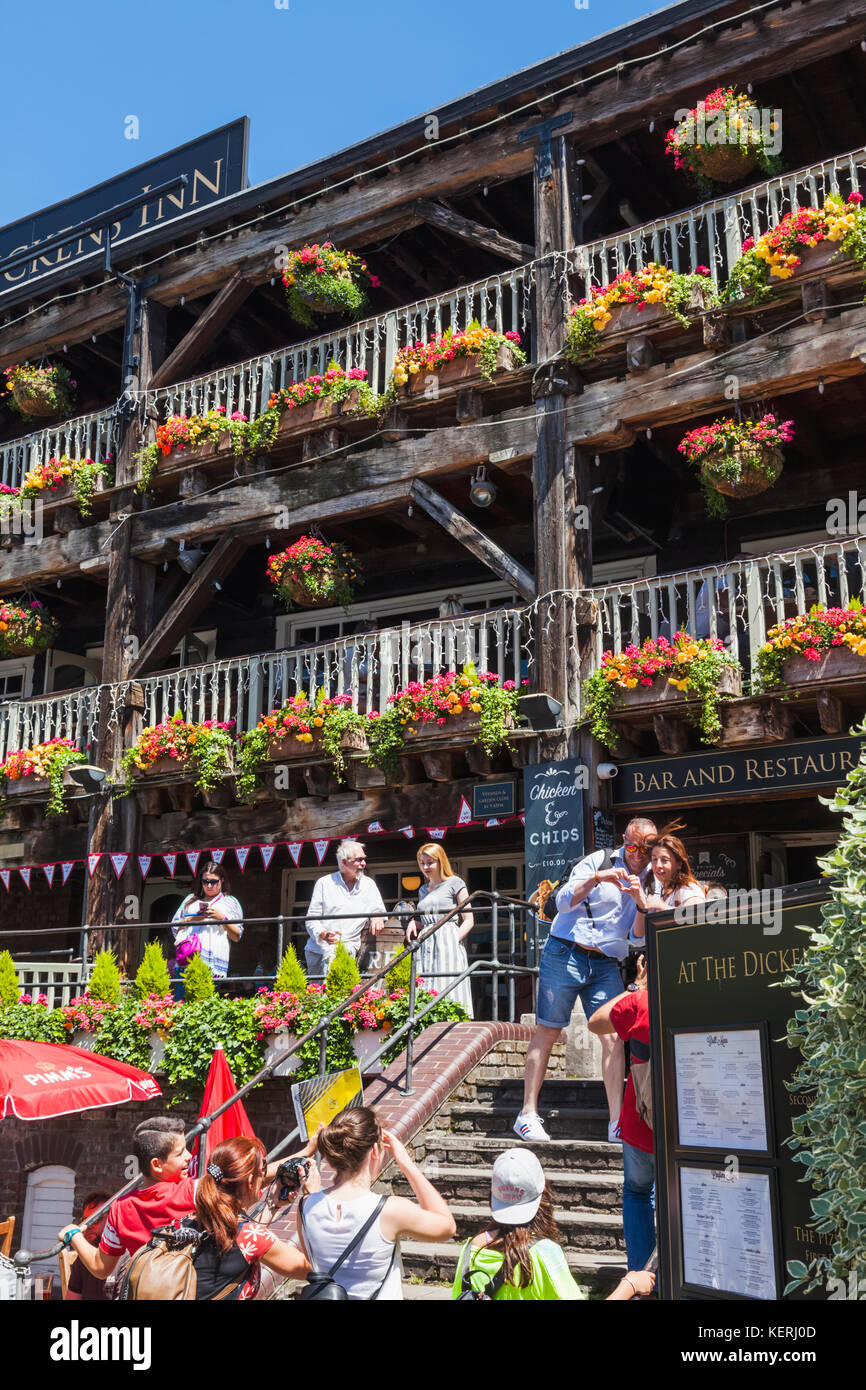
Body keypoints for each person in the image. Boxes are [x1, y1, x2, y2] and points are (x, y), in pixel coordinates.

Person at [514, 818, 657, 1144]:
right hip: (565, 952)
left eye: (645, 850)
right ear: (624, 839)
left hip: (606, 962)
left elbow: (636, 938)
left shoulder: (651, 877)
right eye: (633, 847)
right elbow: (562, 902)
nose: (637, 855)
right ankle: (527, 1114)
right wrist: (596, 878)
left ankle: (616, 1123)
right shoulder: (599, 860)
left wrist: (639, 902)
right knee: (548, 1030)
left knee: (613, 1037)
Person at [451, 1149, 655, 1301]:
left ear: (493, 1198)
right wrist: (629, 1285)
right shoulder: (542, 1252)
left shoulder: (470, 1249)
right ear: (543, 1197)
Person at [297, 1106, 455, 1300]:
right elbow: (447, 1226)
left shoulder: (305, 1207)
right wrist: (405, 1161)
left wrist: (315, 1195)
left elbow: (316, 1265)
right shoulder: (390, 1209)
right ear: (374, 1150)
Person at [59, 1117, 198, 1281]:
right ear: (157, 1165)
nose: (189, 1156)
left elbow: (101, 1267)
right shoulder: (194, 1192)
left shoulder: (119, 1208)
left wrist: (73, 1235)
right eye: (180, 1153)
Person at [173, 1135, 312, 1300]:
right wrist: (312, 1198)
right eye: (263, 1170)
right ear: (251, 1181)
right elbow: (311, 1269)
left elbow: (244, 1240)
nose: (265, 1177)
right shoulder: (250, 1237)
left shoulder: (190, 1219)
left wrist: (273, 1204)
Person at [588, 954, 655, 1270]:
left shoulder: (640, 1002)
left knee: (638, 1192)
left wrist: (636, 986)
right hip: (684, 1127)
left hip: (641, 1124)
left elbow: (595, 1020)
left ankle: (642, 1274)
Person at [406, 843, 474, 1018]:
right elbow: (427, 918)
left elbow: (469, 919)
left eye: (430, 862)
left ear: (440, 861)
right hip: (426, 941)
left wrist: (453, 939)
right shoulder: (422, 889)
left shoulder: (455, 882)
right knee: (427, 984)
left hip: (447, 938)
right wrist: (414, 922)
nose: (426, 867)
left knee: (448, 984)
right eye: (422, 863)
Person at [304, 840, 386, 977]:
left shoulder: (369, 884)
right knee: (319, 997)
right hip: (320, 950)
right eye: (359, 860)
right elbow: (311, 920)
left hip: (349, 950)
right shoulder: (324, 883)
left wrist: (377, 915)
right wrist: (323, 934)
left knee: (343, 994)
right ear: (343, 862)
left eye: (364, 859)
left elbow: (378, 909)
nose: (364, 864)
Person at [622, 830, 706, 937]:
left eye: (664, 860)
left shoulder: (688, 889)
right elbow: (638, 935)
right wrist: (641, 905)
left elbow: (698, 919)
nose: (658, 865)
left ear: (679, 864)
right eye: (654, 860)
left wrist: (664, 908)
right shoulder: (662, 893)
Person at [172, 861, 244, 980]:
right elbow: (175, 929)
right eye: (205, 881)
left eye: (213, 882)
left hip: (213, 963)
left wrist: (222, 919)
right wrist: (192, 919)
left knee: (206, 998)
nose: (209, 886)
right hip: (187, 957)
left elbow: (236, 936)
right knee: (182, 998)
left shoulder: (231, 902)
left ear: (222, 880)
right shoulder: (190, 900)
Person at [64, 1191, 111, 1301]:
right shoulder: (82, 1259)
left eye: (96, 1219)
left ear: (111, 1221)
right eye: (85, 1220)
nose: (88, 1225)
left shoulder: (125, 1257)